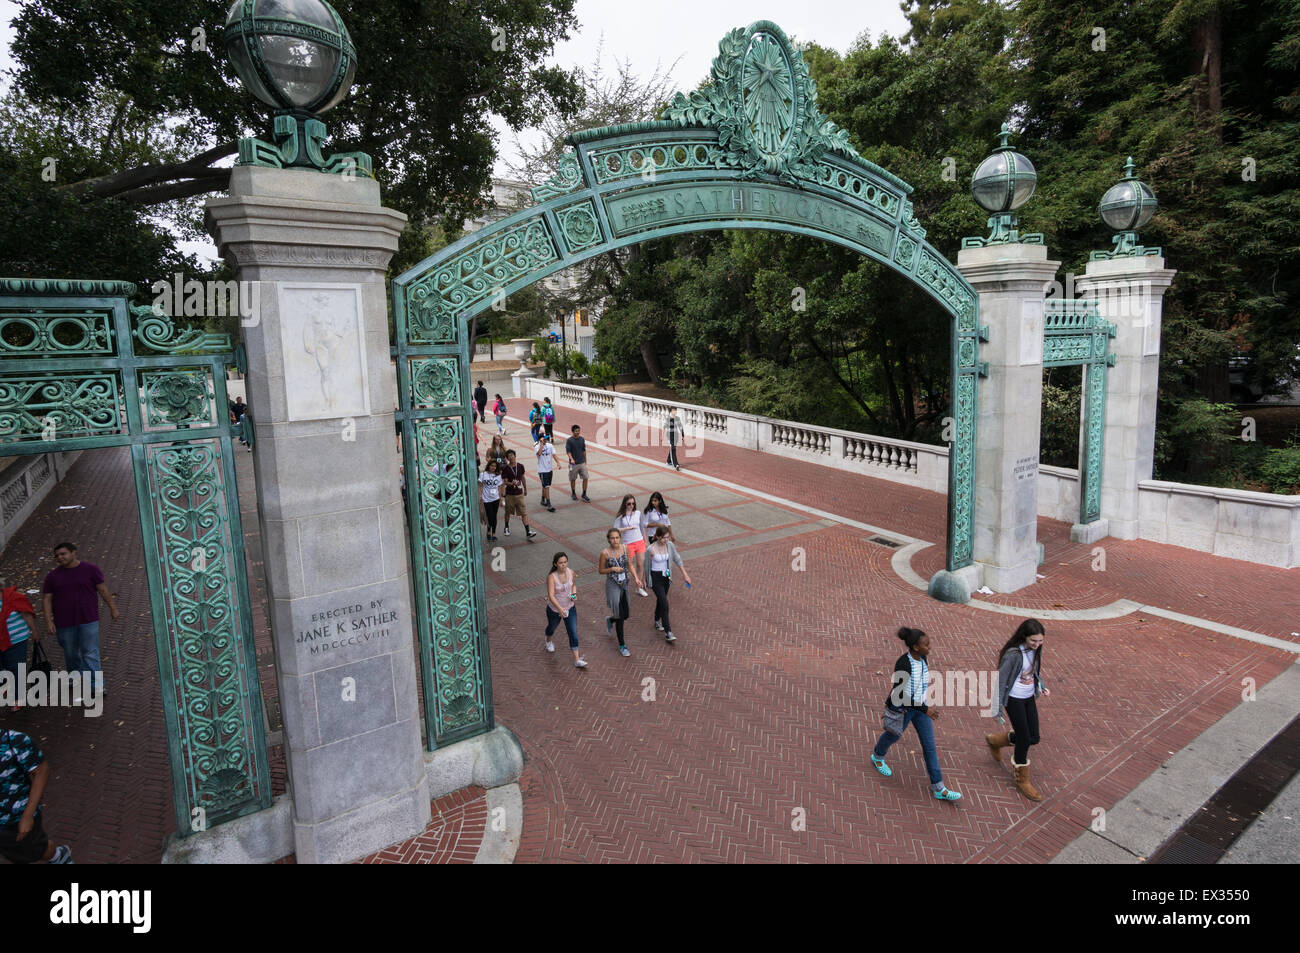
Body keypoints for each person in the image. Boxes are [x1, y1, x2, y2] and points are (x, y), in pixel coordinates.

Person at [869, 627, 962, 802]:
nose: (930, 647)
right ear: (915, 647)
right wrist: (925, 709)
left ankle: (938, 788)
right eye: (926, 645)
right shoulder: (903, 664)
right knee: (892, 735)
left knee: (929, 746)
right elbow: (900, 694)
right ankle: (878, 756)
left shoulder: (923, 658)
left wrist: (923, 705)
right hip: (905, 709)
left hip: (919, 709)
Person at [986, 619, 1050, 801]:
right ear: (1024, 637)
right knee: (1024, 738)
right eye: (1033, 641)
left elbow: (1033, 670)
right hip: (1013, 699)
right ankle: (1022, 779)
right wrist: (997, 708)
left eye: (1040, 641)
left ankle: (996, 741)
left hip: (1029, 697)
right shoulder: (1013, 655)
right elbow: (1001, 680)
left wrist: (1040, 686)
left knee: (1034, 737)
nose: (1037, 645)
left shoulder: (1037, 650)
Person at [42, 542, 117, 688]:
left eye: (63, 554)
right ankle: (75, 678)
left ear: (74, 552)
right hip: (64, 622)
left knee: (90, 652)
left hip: (88, 619)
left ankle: (96, 685)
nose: (60, 557)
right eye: (57, 556)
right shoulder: (52, 576)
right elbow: (47, 598)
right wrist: (48, 621)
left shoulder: (90, 569)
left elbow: (103, 590)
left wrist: (113, 608)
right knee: (70, 653)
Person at [0, 728, 72, 864]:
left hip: (14, 820)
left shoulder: (14, 741)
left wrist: (28, 816)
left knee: (37, 851)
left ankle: (58, 856)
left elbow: (42, 771)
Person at [642, 527, 690, 643]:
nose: (666, 540)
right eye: (664, 537)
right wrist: (644, 580)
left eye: (667, 537)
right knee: (664, 603)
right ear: (658, 537)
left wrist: (685, 574)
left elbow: (677, 559)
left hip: (666, 577)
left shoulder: (670, 546)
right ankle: (668, 632)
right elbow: (646, 566)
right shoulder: (650, 549)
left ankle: (656, 620)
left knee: (661, 599)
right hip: (655, 578)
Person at [545, 553, 587, 668]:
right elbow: (551, 595)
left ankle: (577, 659)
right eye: (560, 563)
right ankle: (548, 640)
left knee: (573, 632)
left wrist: (574, 595)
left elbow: (573, 585)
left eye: (565, 562)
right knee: (551, 627)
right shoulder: (551, 577)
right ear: (555, 564)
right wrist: (560, 609)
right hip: (555, 610)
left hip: (570, 607)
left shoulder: (571, 572)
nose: (563, 565)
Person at [1, 579, 37, 712]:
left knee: (16, 669)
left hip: (17, 640)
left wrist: (34, 632)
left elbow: (27, 614)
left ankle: (18, 698)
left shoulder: (15, 597)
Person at [598, 529, 633, 657]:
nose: (615, 540)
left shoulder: (625, 548)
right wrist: (612, 568)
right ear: (608, 539)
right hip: (613, 585)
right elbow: (601, 570)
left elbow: (630, 564)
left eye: (617, 537)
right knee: (620, 616)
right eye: (612, 538)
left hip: (624, 583)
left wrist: (637, 578)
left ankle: (610, 620)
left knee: (626, 614)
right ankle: (622, 645)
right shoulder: (605, 553)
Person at [613, 495, 649, 597]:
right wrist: (627, 528)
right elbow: (615, 530)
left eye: (633, 503)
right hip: (628, 543)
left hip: (639, 541)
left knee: (640, 565)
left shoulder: (638, 513)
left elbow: (642, 528)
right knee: (629, 565)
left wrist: (645, 541)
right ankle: (628, 584)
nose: (631, 505)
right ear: (625, 504)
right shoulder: (621, 516)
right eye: (629, 503)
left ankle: (639, 587)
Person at [500, 450, 537, 540]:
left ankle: (528, 531)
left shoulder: (520, 466)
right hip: (510, 494)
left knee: (523, 513)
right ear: (507, 458)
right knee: (508, 512)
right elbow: (504, 482)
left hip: (519, 493)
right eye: (509, 456)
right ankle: (506, 527)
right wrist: (512, 483)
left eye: (512, 455)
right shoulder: (506, 468)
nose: (511, 457)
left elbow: (523, 477)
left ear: (515, 456)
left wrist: (525, 489)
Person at [479, 458, 504, 542]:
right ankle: (488, 530)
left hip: (495, 498)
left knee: (494, 516)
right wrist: (480, 496)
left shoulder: (498, 475)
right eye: (492, 465)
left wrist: (500, 498)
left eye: (495, 466)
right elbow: (480, 485)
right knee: (490, 516)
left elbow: (500, 487)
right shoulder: (483, 474)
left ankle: (493, 533)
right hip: (486, 499)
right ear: (488, 466)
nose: (493, 467)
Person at [566, 424, 590, 502]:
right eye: (576, 431)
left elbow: (583, 450)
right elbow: (568, 451)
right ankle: (573, 493)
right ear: (572, 431)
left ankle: (584, 494)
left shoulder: (582, 439)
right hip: (573, 464)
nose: (578, 432)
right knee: (573, 479)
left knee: (586, 477)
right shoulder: (569, 440)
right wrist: (571, 459)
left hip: (582, 462)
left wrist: (585, 461)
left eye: (579, 431)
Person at [536, 434, 558, 512]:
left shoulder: (550, 445)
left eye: (545, 439)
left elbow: (554, 454)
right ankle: (549, 504)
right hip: (542, 470)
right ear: (539, 440)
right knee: (546, 486)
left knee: (544, 485)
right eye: (543, 439)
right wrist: (541, 444)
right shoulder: (537, 446)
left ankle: (542, 500)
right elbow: (538, 454)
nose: (545, 440)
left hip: (549, 469)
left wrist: (558, 463)